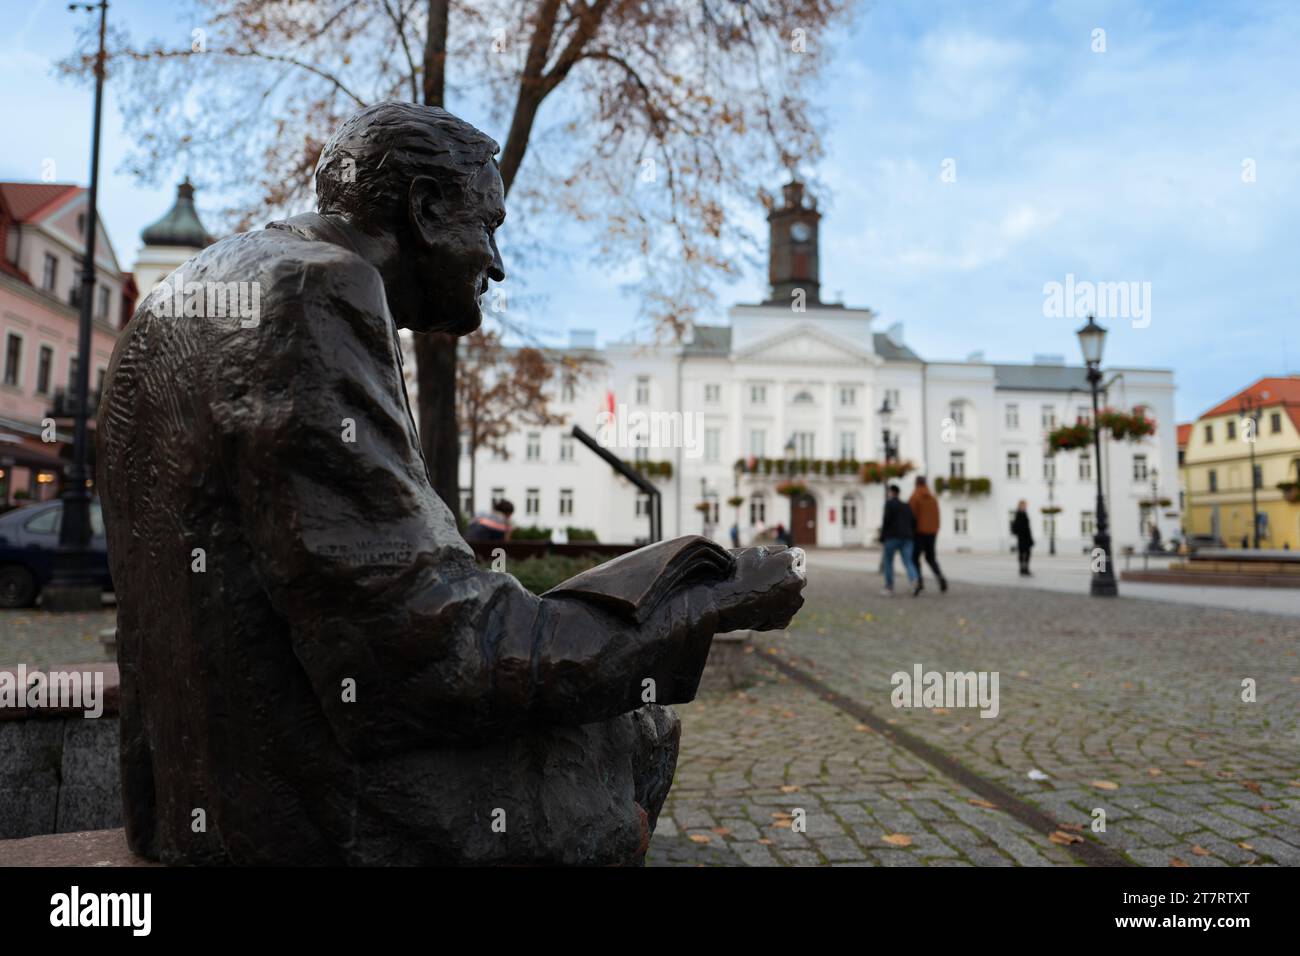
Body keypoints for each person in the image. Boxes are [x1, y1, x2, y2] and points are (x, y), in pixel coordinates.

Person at [96, 102, 806, 866]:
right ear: (426, 209)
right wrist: (710, 599)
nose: (495, 263)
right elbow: (440, 650)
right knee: (635, 725)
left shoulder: (180, 293)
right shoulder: (317, 291)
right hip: (304, 815)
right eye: (487, 227)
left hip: (183, 797)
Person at [880, 484, 922, 596]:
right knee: (908, 561)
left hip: (892, 537)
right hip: (907, 537)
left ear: (891, 492)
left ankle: (889, 587)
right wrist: (911, 534)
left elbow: (886, 521)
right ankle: (914, 581)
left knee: (888, 562)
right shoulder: (906, 506)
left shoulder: (889, 504)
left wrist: (882, 536)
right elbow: (913, 521)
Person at [908, 476, 947, 592]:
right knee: (931, 558)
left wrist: (911, 531)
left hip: (919, 533)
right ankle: (940, 577)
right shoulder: (933, 498)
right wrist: (935, 529)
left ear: (916, 483)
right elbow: (937, 515)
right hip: (932, 532)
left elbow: (912, 516)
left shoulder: (914, 497)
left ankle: (919, 582)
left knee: (914, 558)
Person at [1011, 500, 1034, 576]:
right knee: (1022, 553)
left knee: (1028, 553)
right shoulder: (1018, 514)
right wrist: (1020, 532)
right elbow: (1016, 527)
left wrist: (1031, 538)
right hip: (1021, 538)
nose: (1025, 507)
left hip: (1027, 538)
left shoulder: (1025, 513)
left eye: (1025, 505)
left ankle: (1026, 569)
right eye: (1023, 505)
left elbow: (1028, 528)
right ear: (1020, 506)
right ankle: (1022, 569)